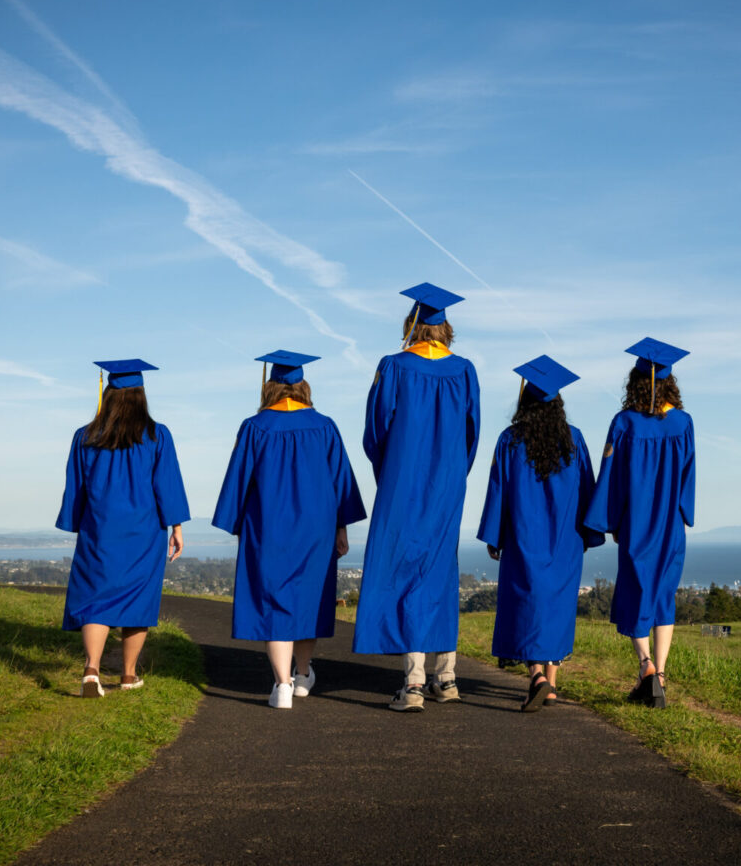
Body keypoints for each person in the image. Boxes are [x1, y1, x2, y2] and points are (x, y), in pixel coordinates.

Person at [210, 351, 367, 709]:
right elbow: (340, 481)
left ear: (270, 386)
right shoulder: (324, 425)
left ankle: (282, 684)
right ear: (303, 386)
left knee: (274, 601)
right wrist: (341, 527)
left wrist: (238, 525)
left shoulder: (255, 426)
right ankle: (303, 673)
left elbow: (238, 480)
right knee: (307, 601)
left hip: (268, 528)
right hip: (317, 531)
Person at [354, 282, 481, 712]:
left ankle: (412, 684)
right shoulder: (464, 370)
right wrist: (451, 475)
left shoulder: (393, 366)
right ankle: (446, 678)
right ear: (446, 328)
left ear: (412, 324)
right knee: (440, 570)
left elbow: (375, 432)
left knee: (405, 569)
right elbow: (471, 435)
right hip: (446, 485)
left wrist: (391, 469)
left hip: (402, 484)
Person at [57, 359, 190, 698]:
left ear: (109, 393)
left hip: (99, 530)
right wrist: (175, 526)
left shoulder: (85, 436)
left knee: (95, 598)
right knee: (137, 600)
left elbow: (77, 487)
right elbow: (167, 484)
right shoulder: (158, 435)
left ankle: (91, 671)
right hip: (144, 532)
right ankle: (129, 676)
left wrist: (77, 523)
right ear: (141, 395)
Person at [477, 355, 599, 712]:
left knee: (526, 602)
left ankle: (536, 676)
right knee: (557, 605)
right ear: (558, 402)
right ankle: (553, 681)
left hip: (523, 538)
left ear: (524, 402)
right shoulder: (574, 440)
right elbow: (588, 491)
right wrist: (587, 535)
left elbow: (498, 490)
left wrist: (495, 535)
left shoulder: (510, 441)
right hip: (564, 541)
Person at [583, 338, 695, 709]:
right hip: (670, 526)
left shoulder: (624, 423)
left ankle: (645, 668)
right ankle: (661, 674)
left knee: (635, 592)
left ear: (635, 381)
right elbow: (687, 477)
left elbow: (611, 476)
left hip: (637, 524)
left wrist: (608, 519)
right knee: (664, 594)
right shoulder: (683, 423)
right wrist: (683, 513)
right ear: (670, 382)